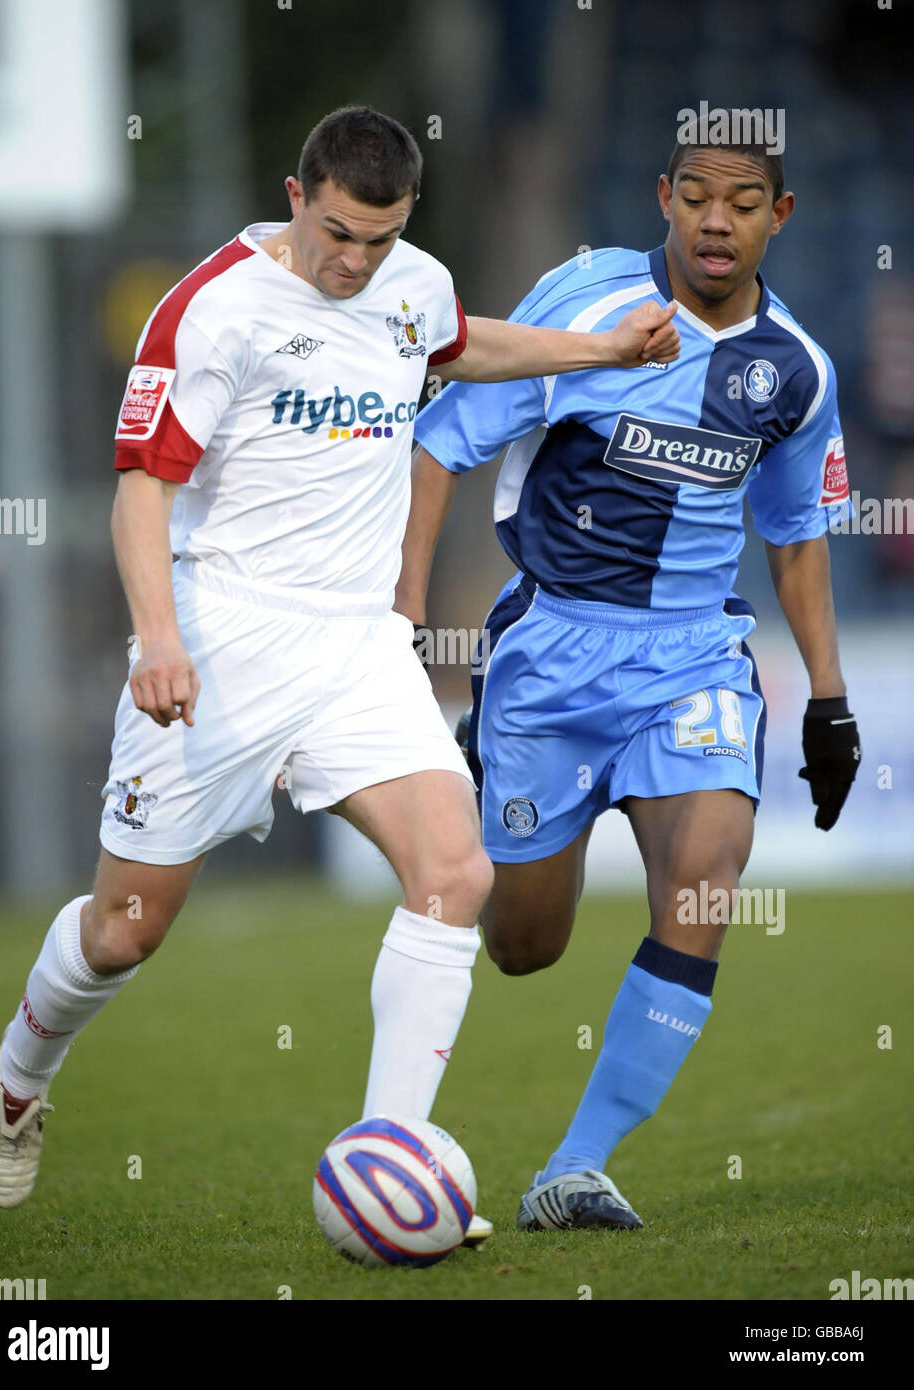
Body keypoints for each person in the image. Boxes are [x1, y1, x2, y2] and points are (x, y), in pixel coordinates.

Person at [0, 105, 680, 1243]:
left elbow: (457, 343)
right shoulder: (212, 308)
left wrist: (601, 349)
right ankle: (14, 1082)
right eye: (339, 233)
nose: (354, 261)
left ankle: (385, 1166)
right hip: (222, 639)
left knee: (454, 866)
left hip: (355, 645)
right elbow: (142, 487)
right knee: (125, 929)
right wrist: (156, 636)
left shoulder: (410, 281)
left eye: (380, 237)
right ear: (295, 196)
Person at [401, 129, 862, 1231]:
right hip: (550, 652)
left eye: (740, 203)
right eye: (694, 197)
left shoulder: (793, 368)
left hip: (691, 656)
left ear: (777, 216)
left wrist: (830, 699)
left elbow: (795, 534)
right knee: (522, 944)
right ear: (661, 197)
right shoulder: (585, 299)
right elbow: (441, 442)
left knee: (706, 879)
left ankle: (576, 1165)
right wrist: (402, 620)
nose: (714, 221)